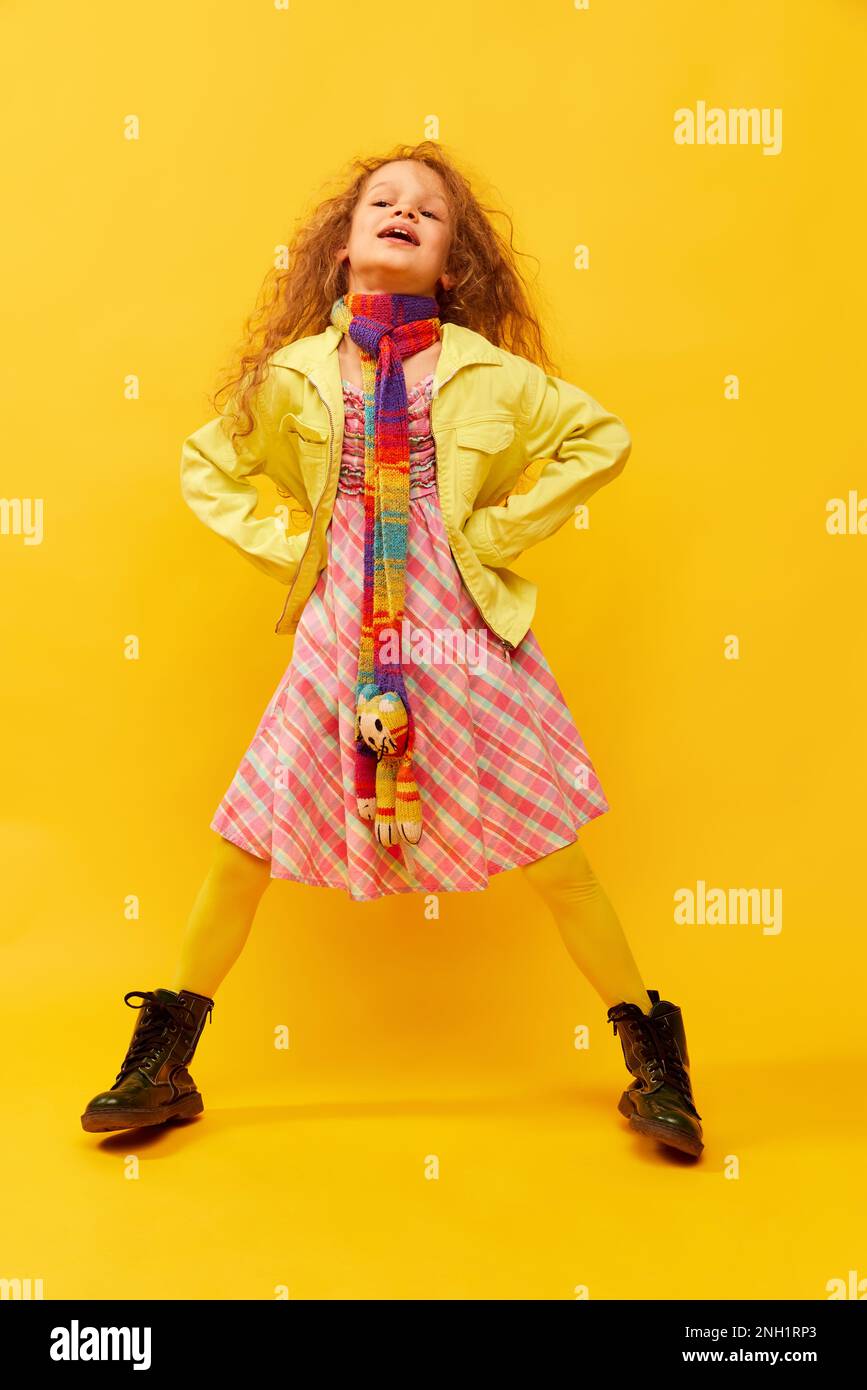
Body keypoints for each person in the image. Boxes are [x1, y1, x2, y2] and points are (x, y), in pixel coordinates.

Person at [80, 142, 703, 1159]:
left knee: (555, 855)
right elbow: (209, 466)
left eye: (431, 212)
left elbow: (602, 438)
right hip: (341, 635)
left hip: (458, 632)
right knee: (244, 847)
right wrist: (298, 547)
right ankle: (162, 1061)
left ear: (453, 267)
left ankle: (656, 1059)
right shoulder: (289, 377)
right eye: (384, 201)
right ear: (342, 246)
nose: (405, 211)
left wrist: (492, 534)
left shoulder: (490, 374)